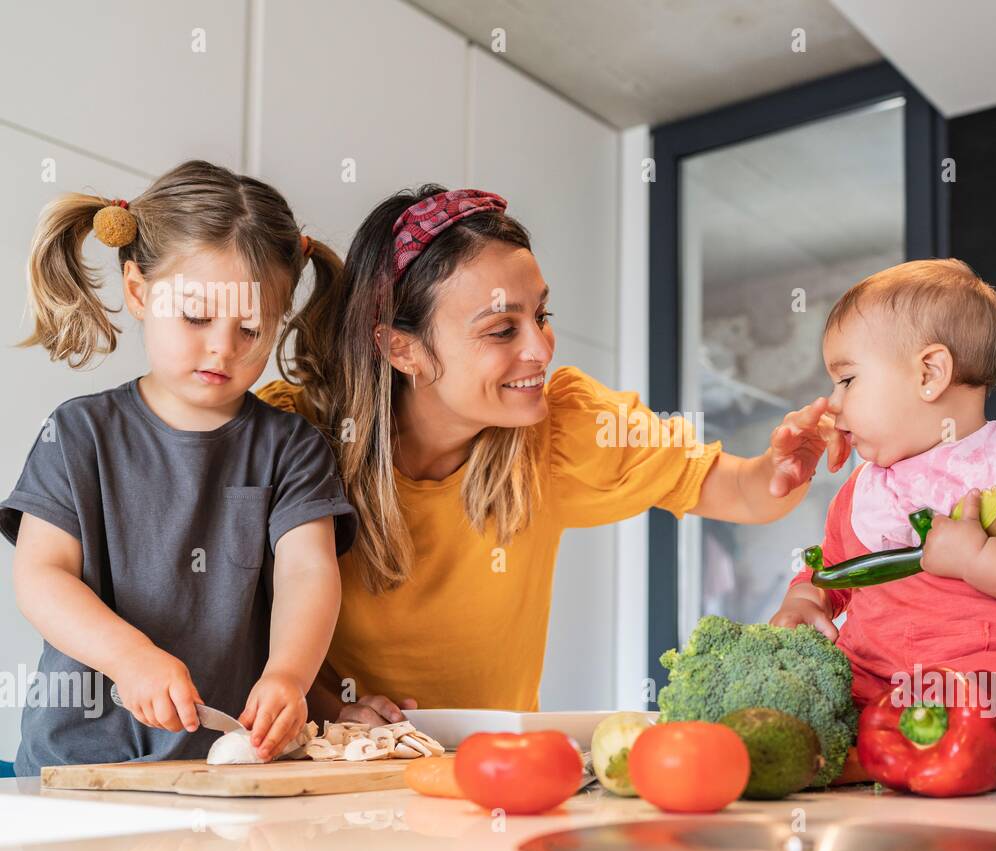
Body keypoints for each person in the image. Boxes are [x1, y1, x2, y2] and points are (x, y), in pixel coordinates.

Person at [257, 185, 849, 725]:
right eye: (501, 330)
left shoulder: (564, 430)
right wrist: (333, 707)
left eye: (540, 316)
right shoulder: (293, 437)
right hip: (333, 763)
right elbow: (230, 617)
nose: (540, 349)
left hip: (490, 775)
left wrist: (780, 468)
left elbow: (743, 491)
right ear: (402, 348)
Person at [1, 160, 357, 773]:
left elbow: (307, 573)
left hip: (222, 768)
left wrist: (289, 676)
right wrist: (128, 656)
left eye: (250, 328)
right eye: (196, 318)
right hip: (75, 768)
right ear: (138, 291)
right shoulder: (79, 432)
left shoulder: (293, 448)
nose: (223, 348)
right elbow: (41, 576)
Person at [771, 258, 996, 788]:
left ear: (930, 373)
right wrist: (806, 599)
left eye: (846, 380)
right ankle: (901, 747)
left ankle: (951, 750)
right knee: (787, 714)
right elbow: (831, 569)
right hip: (879, 689)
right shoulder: (861, 490)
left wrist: (981, 560)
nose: (834, 407)